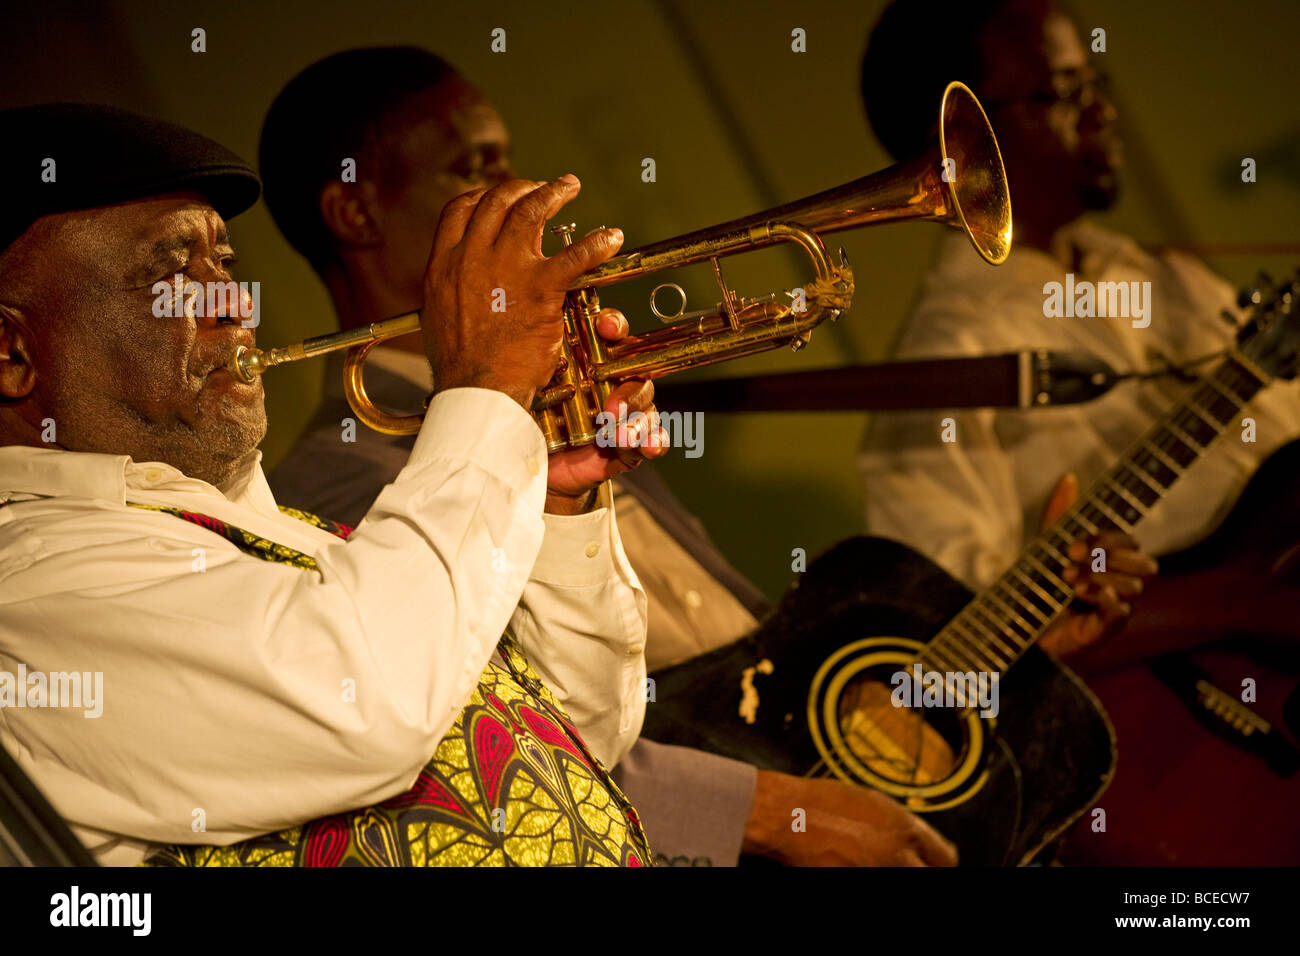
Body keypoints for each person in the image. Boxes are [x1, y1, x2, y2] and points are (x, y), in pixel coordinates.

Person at [259, 47, 964, 867]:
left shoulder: (565, 386)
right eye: (479, 165)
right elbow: (484, 744)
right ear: (355, 212)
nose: (522, 190)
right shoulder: (338, 472)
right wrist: (769, 811)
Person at [0, 102, 665, 866]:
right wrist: (484, 389)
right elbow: (376, 710)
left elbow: (579, 734)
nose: (234, 302)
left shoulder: (302, 536)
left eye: (226, 263)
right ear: (10, 350)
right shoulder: (35, 590)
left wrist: (554, 498)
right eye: (168, 274)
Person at [857, 0, 1300, 668]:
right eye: (1067, 92)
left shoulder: (1163, 275)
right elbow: (965, 651)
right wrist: (1239, 603)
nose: (1103, 113)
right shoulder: (941, 364)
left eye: (1096, 84)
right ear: (960, 143)